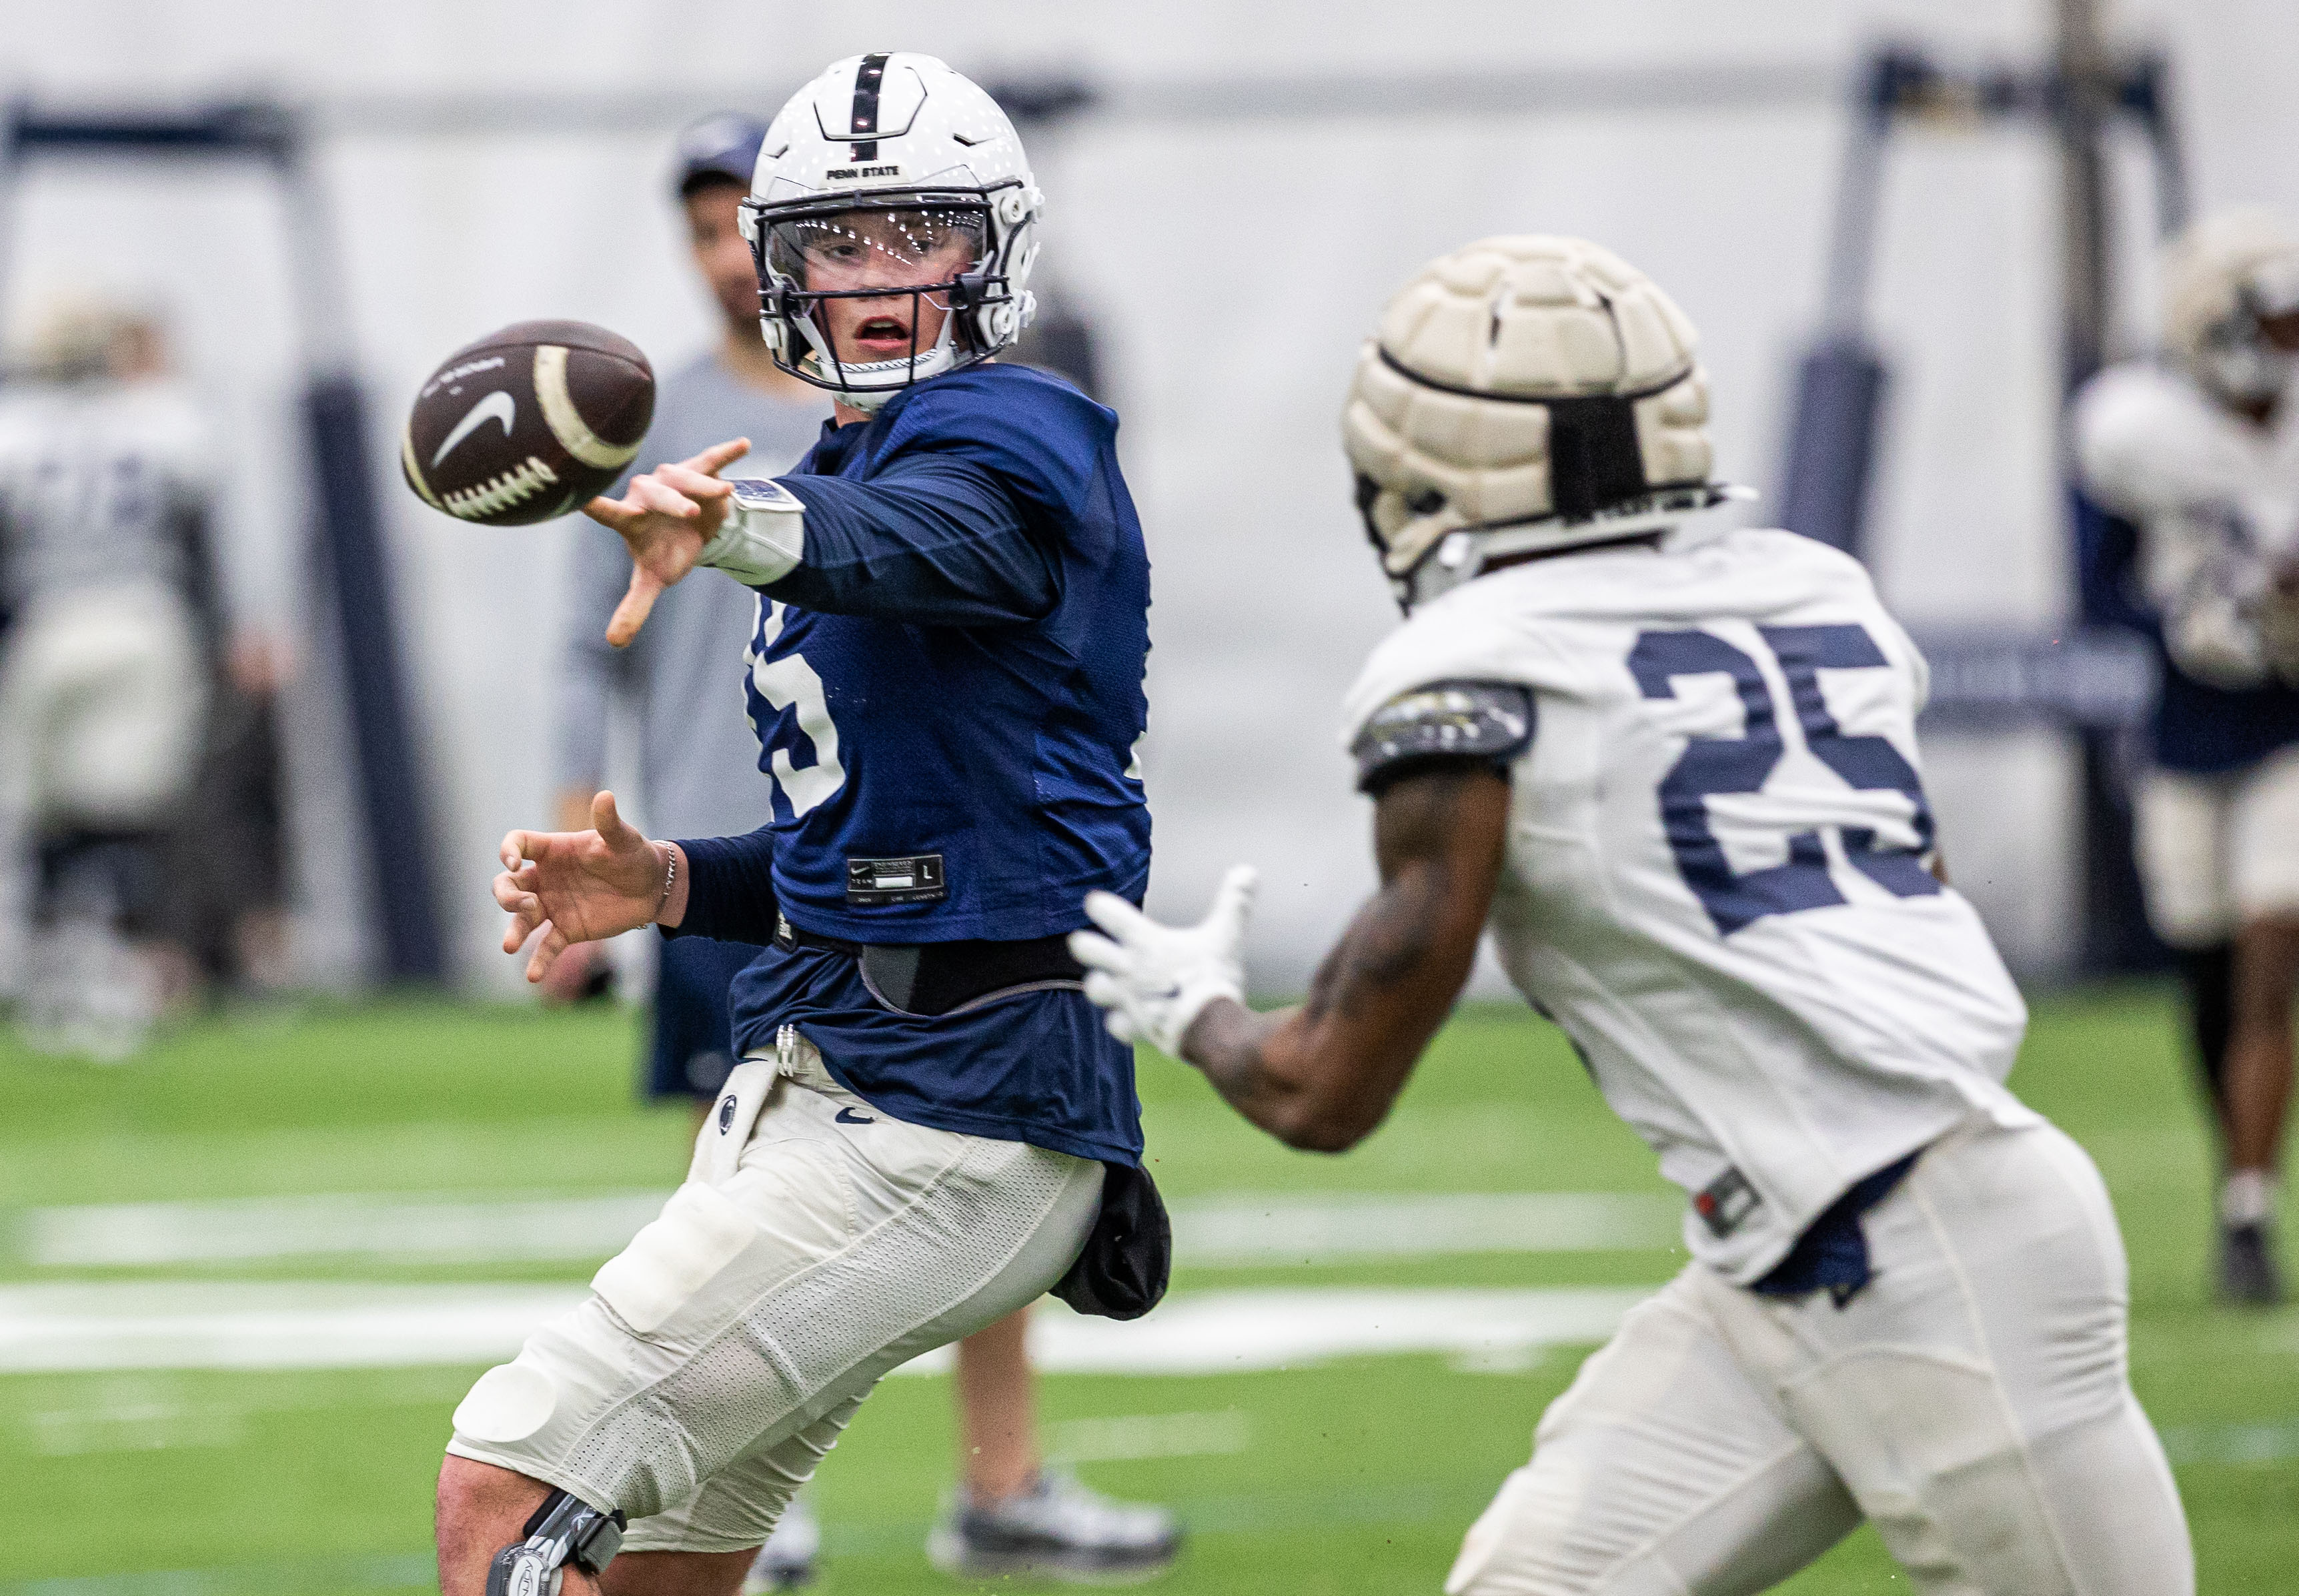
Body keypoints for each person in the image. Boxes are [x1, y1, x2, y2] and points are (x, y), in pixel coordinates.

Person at [1074, 237, 2193, 1595]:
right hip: (1792, 1248)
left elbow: (1327, 1092)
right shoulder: (1808, 589)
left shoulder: (1473, 667)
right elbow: (1910, 890)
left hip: (1925, 1254)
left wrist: (1194, 1011)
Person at [436, 54, 1177, 1596]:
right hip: (834, 1080)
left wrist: (738, 523)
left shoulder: (1017, 429)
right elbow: (882, 840)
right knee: (663, 1566)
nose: (883, 275)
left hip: (948, 1104)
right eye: (842, 241)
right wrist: (670, 881)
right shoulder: (848, 452)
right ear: (782, 269)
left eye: (921, 231)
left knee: (499, 1494)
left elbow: (917, 541)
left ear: (996, 247)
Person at [2071, 207, 2299, 1307]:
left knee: (2271, 941)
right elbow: (2099, 584)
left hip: (2288, 727)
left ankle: (2248, 1204)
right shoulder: (2140, 431)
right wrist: (2188, 614)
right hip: (2183, 731)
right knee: (2206, 965)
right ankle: (2236, 1170)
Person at [0, 299, 217, 1058]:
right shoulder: (166, 420)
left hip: (49, 623)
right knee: (127, 819)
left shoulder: (16, 428)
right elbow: (203, 544)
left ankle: (56, 979)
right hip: (140, 616)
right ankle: (116, 979)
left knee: (48, 819)